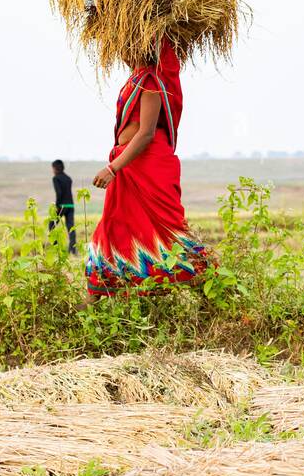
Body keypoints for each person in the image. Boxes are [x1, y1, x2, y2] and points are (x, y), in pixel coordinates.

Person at [85, 38, 211, 295]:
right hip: (130, 167)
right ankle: (100, 292)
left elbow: (146, 134)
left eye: (125, 43)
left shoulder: (151, 82)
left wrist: (112, 168)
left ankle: (207, 287)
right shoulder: (134, 79)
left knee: (167, 229)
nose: (121, 49)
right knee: (116, 225)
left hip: (148, 166)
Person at [50, 159, 77, 255]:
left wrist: (57, 206)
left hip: (61, 206)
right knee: (71, 228)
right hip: (70, 205)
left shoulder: (56, 178)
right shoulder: (68, 178)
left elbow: (59, 193)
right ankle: (73, 250)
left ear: (55, 168)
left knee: (51, 225)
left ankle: (56, 248)